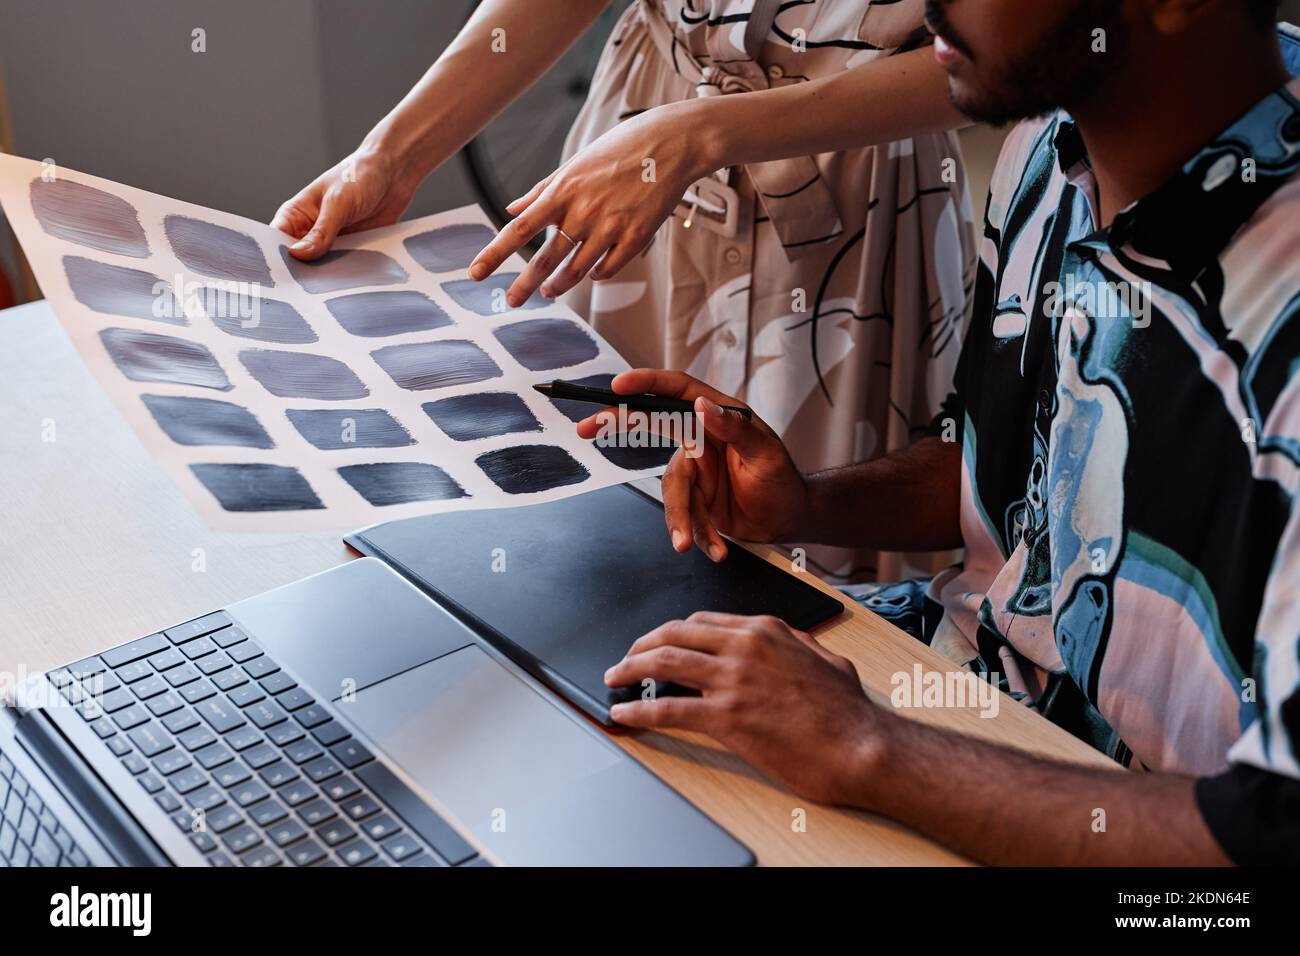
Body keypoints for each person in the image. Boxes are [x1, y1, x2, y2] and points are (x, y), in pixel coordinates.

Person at [579, 0, 1300, 864]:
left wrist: (865, 748)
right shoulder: (1050, 138)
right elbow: (996, 465)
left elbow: (1268, 834)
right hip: (949, 699)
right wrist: (805, 505)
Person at [271, 0, 977, 584]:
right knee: (589, 533)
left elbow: (1003, 55)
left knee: (798, 560)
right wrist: (391, 157)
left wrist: (700, 135)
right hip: (635, 151)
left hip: (850, 182)